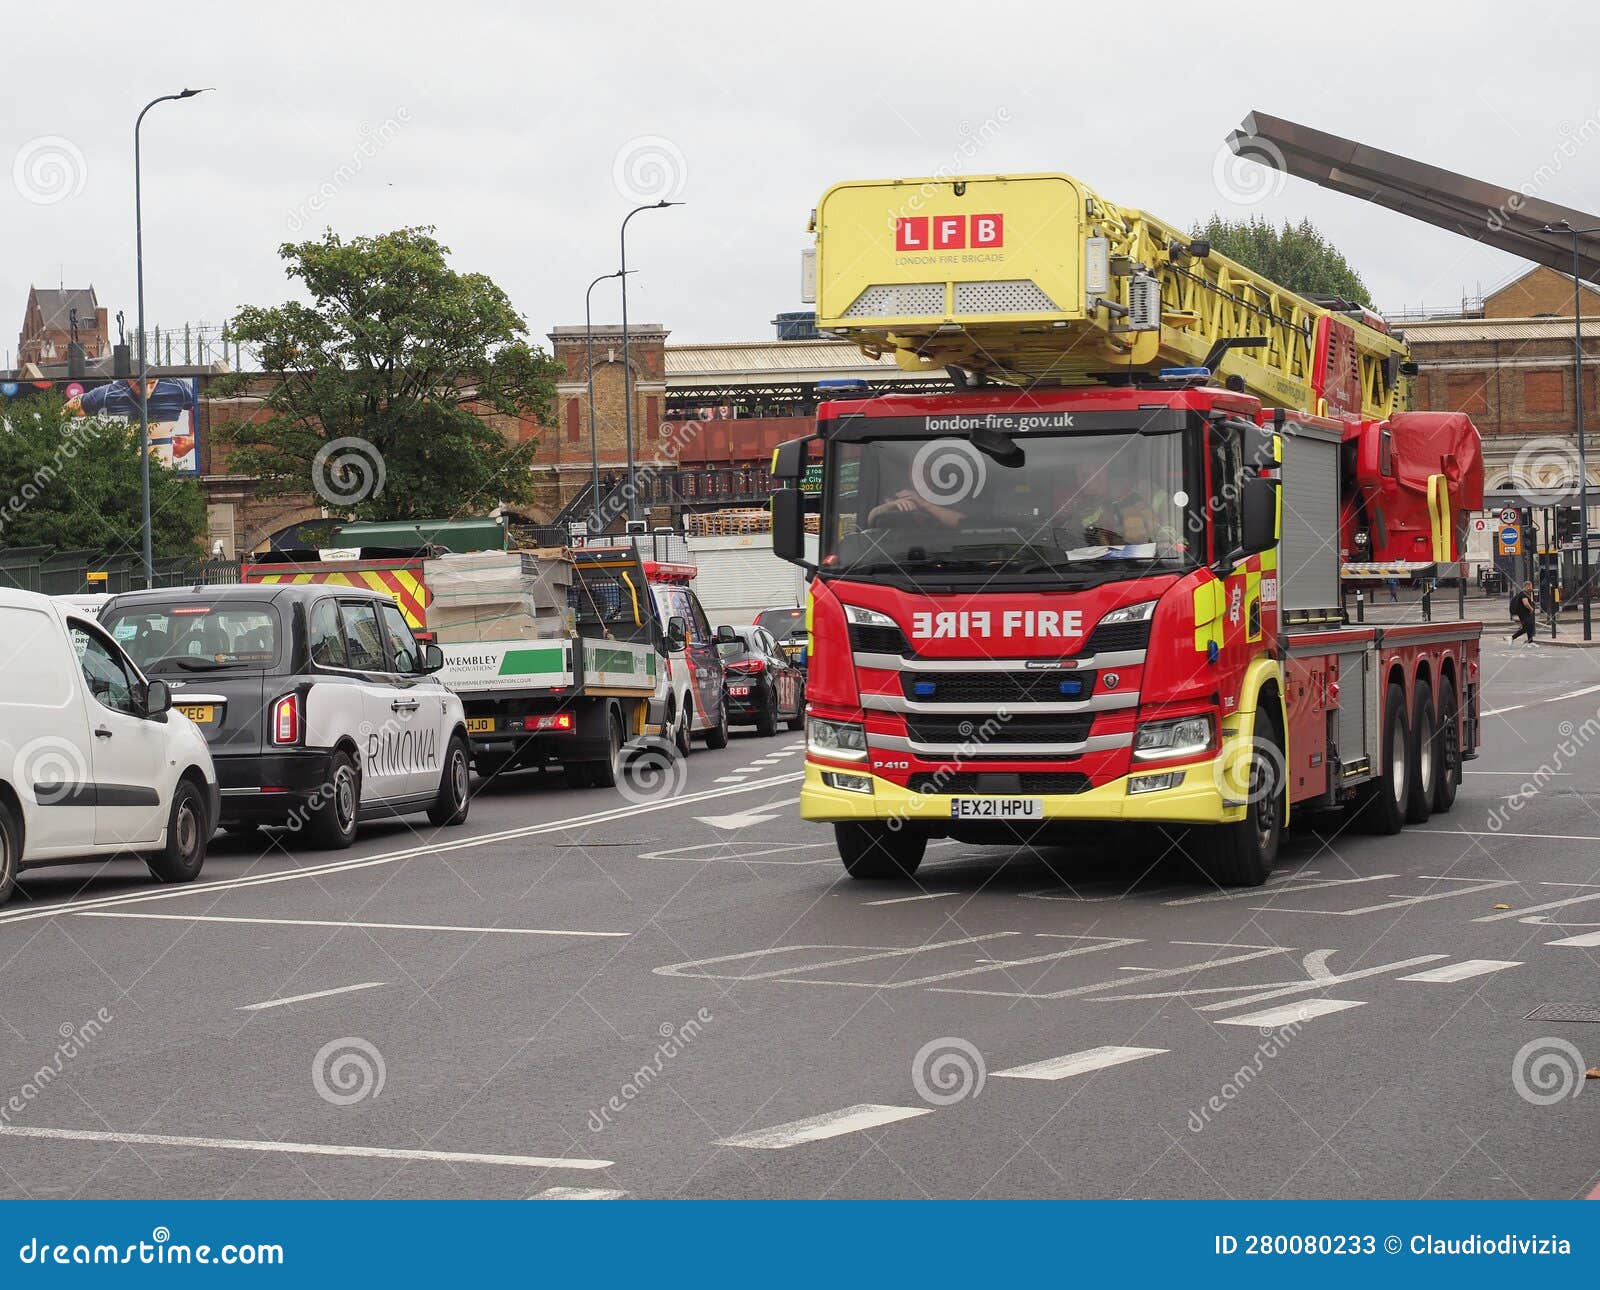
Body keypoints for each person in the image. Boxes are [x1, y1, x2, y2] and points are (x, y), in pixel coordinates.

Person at [1509, 579, 1538, 645]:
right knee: (1529, 626)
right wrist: (1531, 609)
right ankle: (1530, 642)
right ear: (1527, 586)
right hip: (1524, 614)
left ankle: (1512, 638)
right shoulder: (1524, 594)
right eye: (1531, 586)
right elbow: (1526, 603)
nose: (1531, 588)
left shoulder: (1522, 593)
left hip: (1523, 614)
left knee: (1526, 628)